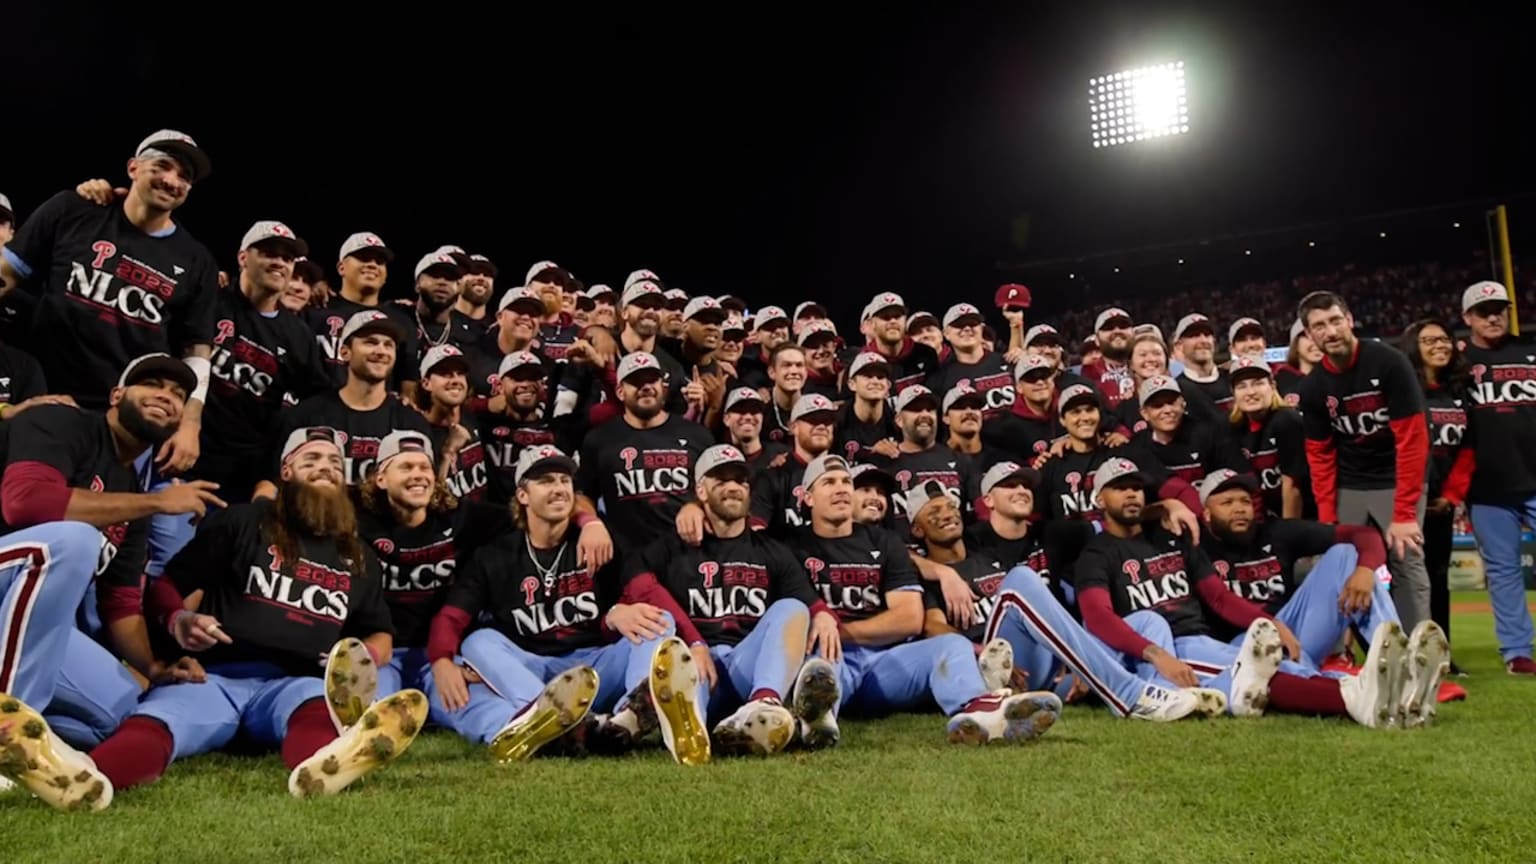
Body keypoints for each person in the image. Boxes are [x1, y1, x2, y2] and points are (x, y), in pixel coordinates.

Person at [38, 428, 429, 810]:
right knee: (157, 721)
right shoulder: (244, 521)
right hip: (215, 676)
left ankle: (324, 768)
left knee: (314, 709)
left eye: (333, 463)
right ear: (286, 473)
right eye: (311, 459)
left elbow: (380, 632)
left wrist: (359, 659)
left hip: (294, 681)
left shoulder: (359, 556)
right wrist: (179, 619)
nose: (325, 467)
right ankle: (90, 777)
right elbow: (168, 585)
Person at [1075, 458, 1419, 729]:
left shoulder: (1173, 535)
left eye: (1136, 488)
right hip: (1169, 647)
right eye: (1120, 488)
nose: (1132, 494)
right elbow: (1097, 616)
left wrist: (1271, 623)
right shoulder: (1095, 554)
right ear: (1099, 498)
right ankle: (1355, 696)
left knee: (1270, 667)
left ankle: (1389, 672)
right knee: (1265, 672)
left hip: (1203, 638)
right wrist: (1155, 654)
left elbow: (1217, 597)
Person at [0, 353, 217, 748]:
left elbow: (121, 602)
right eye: (152, 384)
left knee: (117, 711)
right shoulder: (61, 421)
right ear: (117, 394)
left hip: (25, 622)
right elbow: (25, 503)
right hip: (6, 574)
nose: (166, 396)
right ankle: (10, 738)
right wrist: (156, 504)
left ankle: (29, 725)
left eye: (178, 394)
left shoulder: (131, 494)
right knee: (73, 540)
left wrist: (153, 667)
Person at [428, 445, 689, 762]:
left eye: (564, 481)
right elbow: (452, 616)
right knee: (478, 641)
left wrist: (614, 615)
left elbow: (645, 590)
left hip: (595, 664)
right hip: (531, 666)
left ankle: (629, 717)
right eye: (546, 481)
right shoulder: (495, 555)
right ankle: (556, 716)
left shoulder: (600, 540)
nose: (559, 489)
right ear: (522, 495)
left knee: (658, 621)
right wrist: (441, 660)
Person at [786, 453, 1063, 747]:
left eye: (846, 482)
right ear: (808, 497)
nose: (841, 489)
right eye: (829, 482)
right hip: (827, 661)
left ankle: (978, 713)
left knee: (952, 644)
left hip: (884, 665)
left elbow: (908, 619)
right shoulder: (789, 546)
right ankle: (816, 722)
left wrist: (840, 632)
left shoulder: (885, 542)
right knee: (821, 662)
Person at [910, 481, 1225, 721]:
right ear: (917, 528)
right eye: (933, 512)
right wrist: (979, 650)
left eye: (950, 506)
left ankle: (1165, 694)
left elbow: (1113, 520)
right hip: (994, 666)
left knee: (1148, 620)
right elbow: (933, 626)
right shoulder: (919, 575)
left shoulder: (987, 551)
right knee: (1021, 578)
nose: (947, 514)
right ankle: (1129, 694)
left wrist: (1163, 507)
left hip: (1045, 669)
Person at [0, 132, 219, 473]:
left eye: (184, 176)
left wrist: (191, 423)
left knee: (105, 520)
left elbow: (197, 353)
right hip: (39, 395)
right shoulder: (73, 208)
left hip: (122, 421)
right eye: (162, 166)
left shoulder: (197, 261)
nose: (172, 180)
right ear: (133, 168)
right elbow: (6, 275)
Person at [626, 445, 841, 755]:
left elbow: (809, 603)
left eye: (740, 481)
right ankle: (685, 728)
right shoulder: (669, 548)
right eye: (721, 480)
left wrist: (823, 615)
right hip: (694, 669)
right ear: (700, 490)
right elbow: (635, 586)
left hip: (744, 667)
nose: (733, 488)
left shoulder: (772, 551)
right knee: (673, 653)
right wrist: (696, 644)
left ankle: (762, 705)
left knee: (792, 609)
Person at [1296, 290, 1431, 633]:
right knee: (1339, 564)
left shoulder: (1389, 362)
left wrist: (1403, 514)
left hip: (1395, 478)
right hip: (1350, 482)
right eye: (1319, 326)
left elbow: (1413, 441)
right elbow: (1320, 456)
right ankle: (1347, 652)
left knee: (1406, 562)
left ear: (1350, 320)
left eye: (1335, 321)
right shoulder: (1313, 387)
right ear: (1309, 335)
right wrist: (1328, 520)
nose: (1330, 331)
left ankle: (1418, 650)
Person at [198, 221, 331, 502]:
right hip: (184, 458)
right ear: (242, 257)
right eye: (269, 253)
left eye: (287, 258)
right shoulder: (210, 300)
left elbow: (317, 404)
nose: (279, 263)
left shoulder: (298, 336)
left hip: (245, 478)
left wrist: (271, 476)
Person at [1450, 281, 1536, 674]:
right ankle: (1517, 652)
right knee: (1502, 571)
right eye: (1484, 311)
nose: (1493, 316)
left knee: (1503, 570)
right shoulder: (1455, 362)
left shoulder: (1529, 351)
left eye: (1499, 308)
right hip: (1487, 487)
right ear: (1467, 318)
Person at [262, 311, 434, 493]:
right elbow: (274, 483)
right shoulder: (307, 415)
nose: (381, 351)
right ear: (345, 352)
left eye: (388, 345)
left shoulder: (411, 423)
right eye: (370, 342)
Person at [576, 352, 713, 558]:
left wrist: (697, 505)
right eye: (636, 382)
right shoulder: (599, 439)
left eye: (652, 381)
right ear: (620, 392)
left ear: (663, 388)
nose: (646, 387)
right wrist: (591, 523)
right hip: (629, 560)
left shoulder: (698, 435)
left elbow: (717, 490)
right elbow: (583, 494)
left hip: (691, 557)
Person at [1401, 318, 1468, 670]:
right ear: (1414, 346)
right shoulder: (1405, 390)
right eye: (1429, 340)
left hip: (1442, 503)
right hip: (1406, 501)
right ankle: (1404, 651)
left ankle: (1441, 655)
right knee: (1407, 580)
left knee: (1439, 579)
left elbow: (1470, 448)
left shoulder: (1458, 391)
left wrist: (1452, 495)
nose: (1439, 345)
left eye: (1444, 339)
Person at [308, 232, 419, 398]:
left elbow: (408, 385)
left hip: (376, 417)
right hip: (318, 411)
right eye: (364, 258)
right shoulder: (317, 306)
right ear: (341, 268)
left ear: (386, 274)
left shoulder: (400, 321)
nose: (372, 265)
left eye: (379, 262)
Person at [1228, 356, 1308, 520]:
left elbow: (1293, 486)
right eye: (1242, 386)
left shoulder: (1287, 420)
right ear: (1233, 394)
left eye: (1258, 383)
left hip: (1303, 516)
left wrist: (1289, 532)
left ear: (1272, 386)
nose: (1250, 392)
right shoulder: (1234, 429)